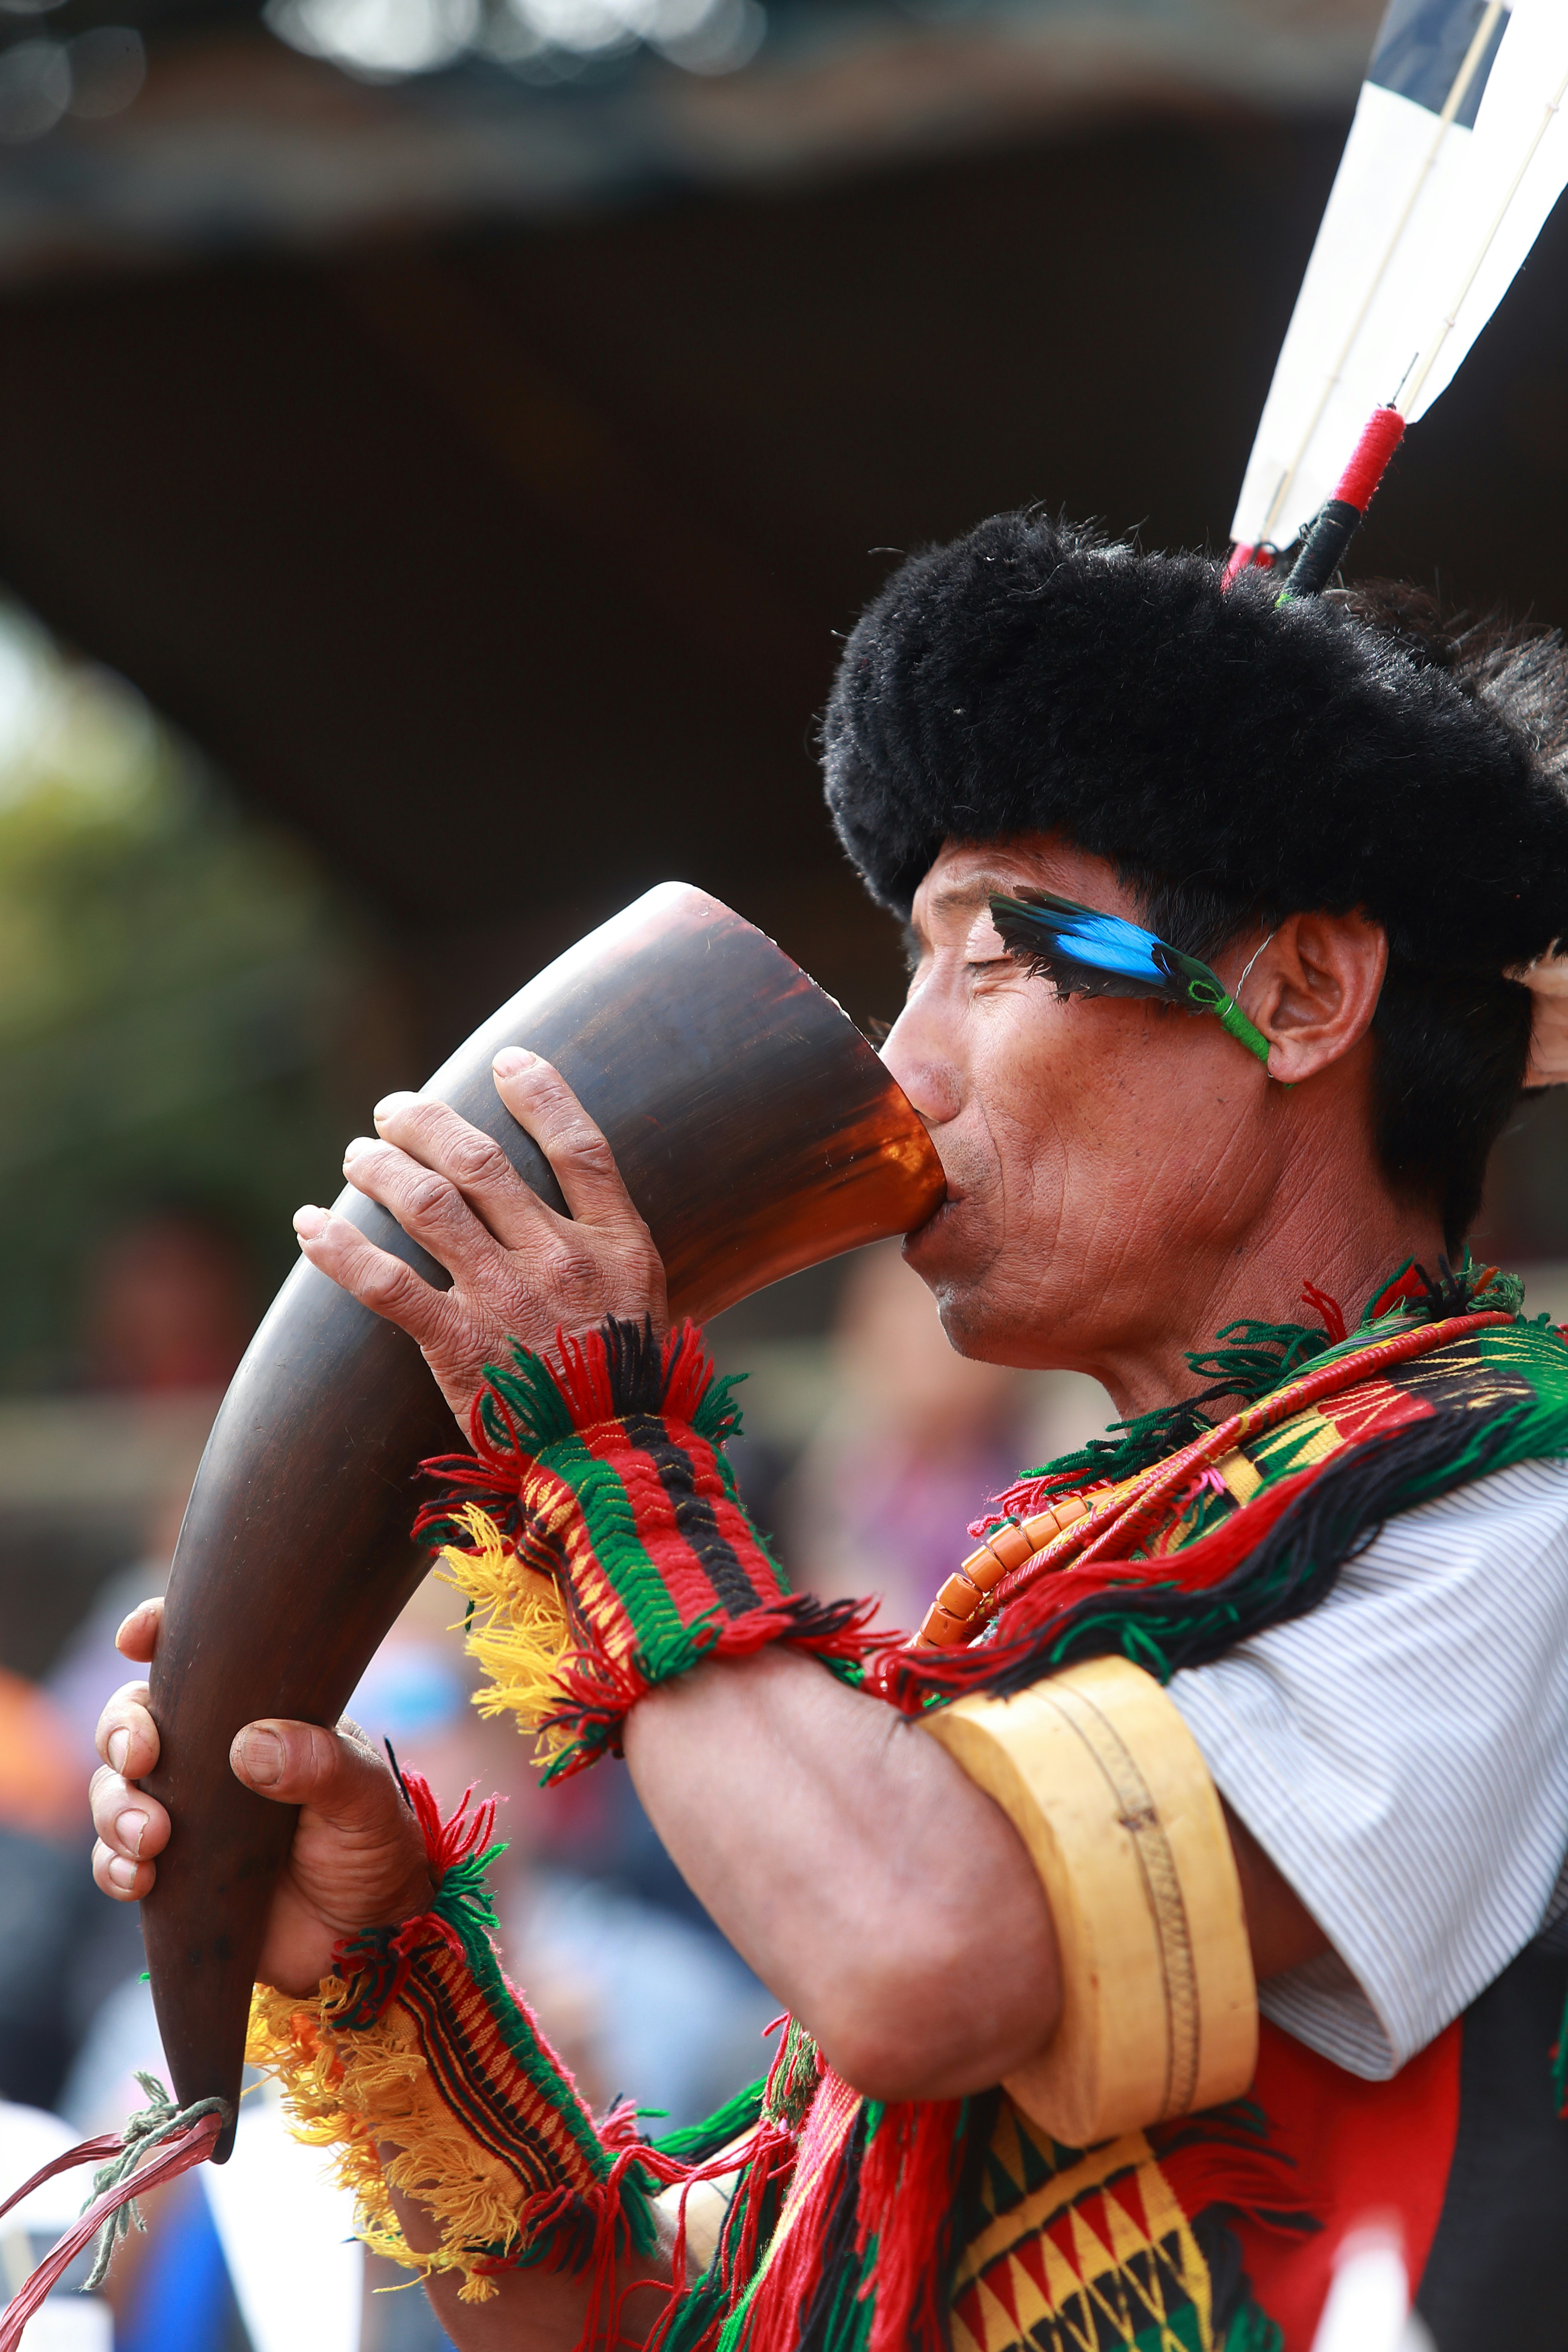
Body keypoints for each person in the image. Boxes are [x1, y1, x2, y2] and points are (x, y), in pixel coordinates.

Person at [88, 517, 1568, 2352]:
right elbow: (640, 2316)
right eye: (912, 964)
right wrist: (386, 1965)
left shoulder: (1513, 1530)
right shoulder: (1065, 1604)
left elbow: (923, 1957)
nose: (906, 1063)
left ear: (1298, 996)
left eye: (1002, 954)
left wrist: (606, 1461)